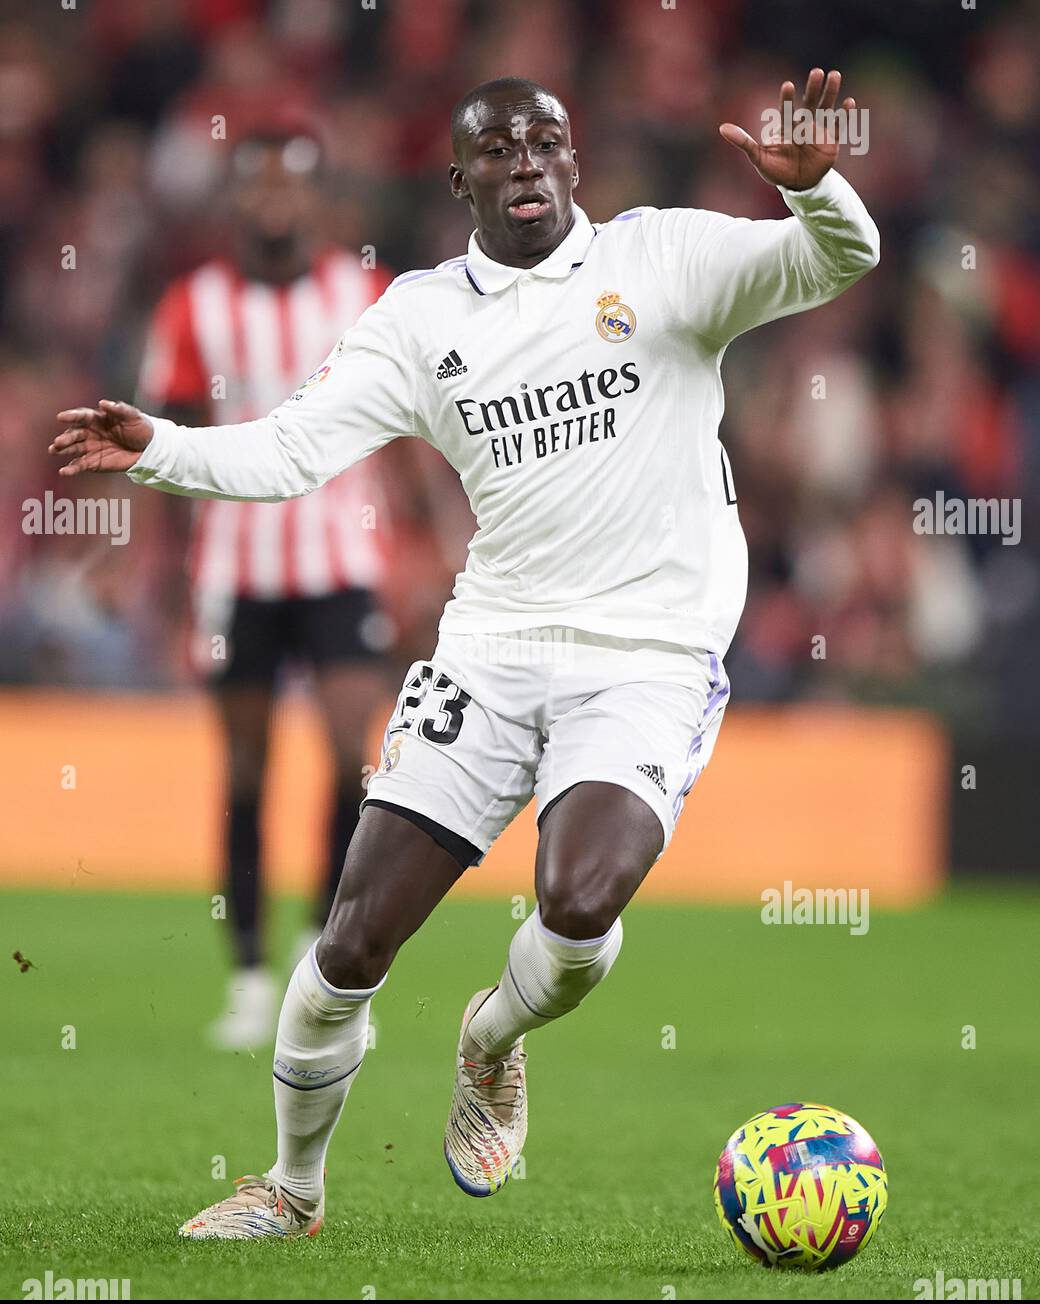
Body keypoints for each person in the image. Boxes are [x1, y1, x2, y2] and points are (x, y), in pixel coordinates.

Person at [51, 72, 880, 1238]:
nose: (525, 159)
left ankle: (491, 1036)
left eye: (546, 140)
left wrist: (815, 192)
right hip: (489, 648)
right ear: (461, 178)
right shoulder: (418, 320)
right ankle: (291, 1189)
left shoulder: (663, 258)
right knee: (350, 939)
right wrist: (160, 446)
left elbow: (839, 259)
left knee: (578, 900)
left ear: (574, 161)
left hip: (646, 651)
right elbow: (291, 451)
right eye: (498, 148)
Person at [137, 127, 396, 1048]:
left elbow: (410, 427)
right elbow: (164, 446)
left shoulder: (363, 293)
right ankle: (248, 975)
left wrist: (436, 534)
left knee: (351, 756)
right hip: (234, 566)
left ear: (319, 199)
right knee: (246, 773)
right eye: (260, 184)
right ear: (236, 199)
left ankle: (322, 956)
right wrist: (166, 584)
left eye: (293, 183)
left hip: (341, 561)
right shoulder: (193, 305)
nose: (276, 200)